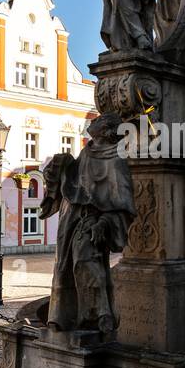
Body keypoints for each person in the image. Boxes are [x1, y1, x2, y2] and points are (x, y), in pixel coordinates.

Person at [40, 114, 136, 334]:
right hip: (70, 215)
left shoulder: (116, 159)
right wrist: (59, 168)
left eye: (98, 121)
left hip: (92, 219)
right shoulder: (87, 151)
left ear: (107, 129)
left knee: (87, 260)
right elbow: (73, 181)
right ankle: (61, 316)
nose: (92, 122)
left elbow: (122, 200)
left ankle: (100, 314)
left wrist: (105, 222)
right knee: (63, 264)